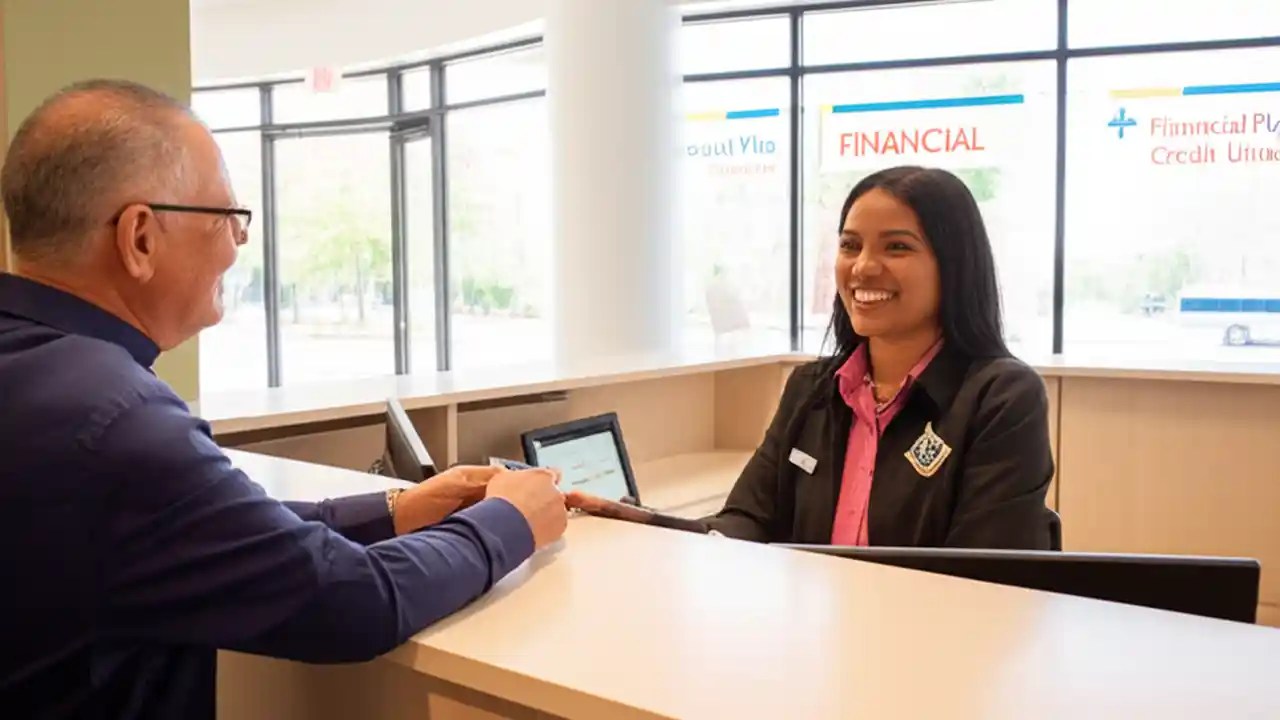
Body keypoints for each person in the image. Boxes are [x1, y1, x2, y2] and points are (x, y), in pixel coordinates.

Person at [0, 79, 568, 719]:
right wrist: (509, 521)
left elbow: (192, 531)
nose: (238, 246)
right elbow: (355, 603)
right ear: (140, 238)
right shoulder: (117, 418)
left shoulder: (49, 388)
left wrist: (399, 509)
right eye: (228, 219)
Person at [568, 166, 1055, 549]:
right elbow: (749, 521)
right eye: (850, 244)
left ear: (955, 266)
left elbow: (984, 579)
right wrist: (653, 527)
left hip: (929, 652)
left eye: (898, 247)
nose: (864, 266)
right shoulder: (812, 388)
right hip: (810, 646)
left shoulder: (1001, 396)